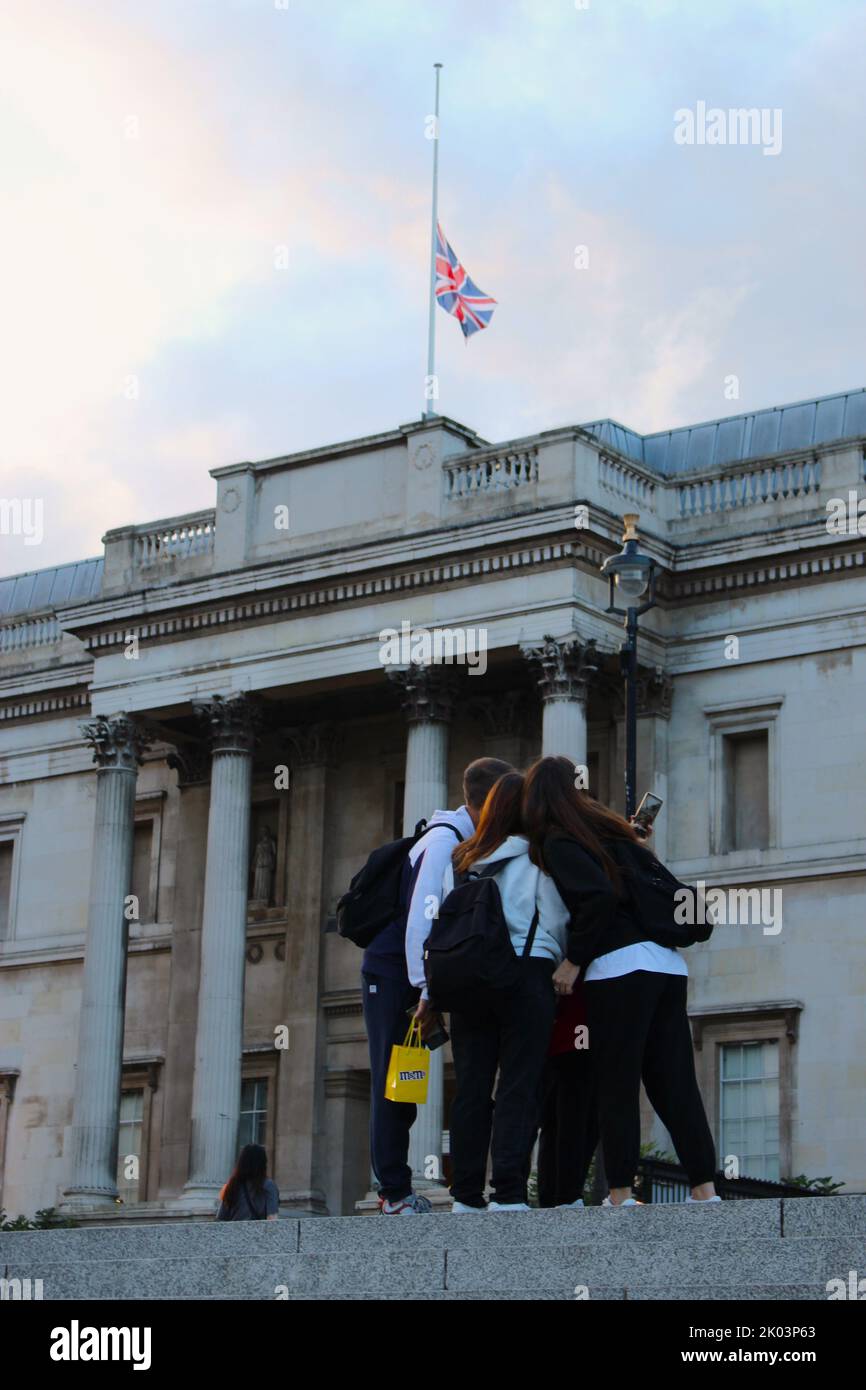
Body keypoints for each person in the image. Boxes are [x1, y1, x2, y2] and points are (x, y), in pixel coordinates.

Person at [521, 755, 719, 1208]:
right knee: (676, 1085)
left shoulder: (559, 840)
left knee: (616, 1083)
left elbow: (598, 900)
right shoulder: (614, 834)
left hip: (618, 969)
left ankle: (620, 1193)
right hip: (666, 966)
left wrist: (573, 961)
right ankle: (704, 1189)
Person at [361, 756, 514, 1215]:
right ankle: (391, 1192)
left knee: (406, 1082)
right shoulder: (443, 840)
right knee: (393, 1080)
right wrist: (424, 989)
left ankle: (397, 1187)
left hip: (407, 975)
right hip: (393, 973)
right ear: (489, 801)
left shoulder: (458, 840)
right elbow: (420, 919)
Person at [447, 771, 571, 1213]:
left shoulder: (464, 858)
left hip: (468, 981)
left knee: (471, 1089)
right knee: (520, 1084)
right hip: (526, 971)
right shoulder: (539, 854)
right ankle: (508, 1193)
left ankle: (463, 1195)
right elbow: (555, 918)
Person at [536, 982, 598, 1209]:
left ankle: (558, 1194)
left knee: (557, 1121)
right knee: (577, 1118)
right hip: (576, 1027)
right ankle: (566, 1194)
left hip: (562, 1032)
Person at [215, 1143, 279, 1221]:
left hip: (233, 1231)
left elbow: (221, 1219)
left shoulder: (232, 1186)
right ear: (263, 1163)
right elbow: (272, 1219)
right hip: (257, 1231)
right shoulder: (268, 1185)